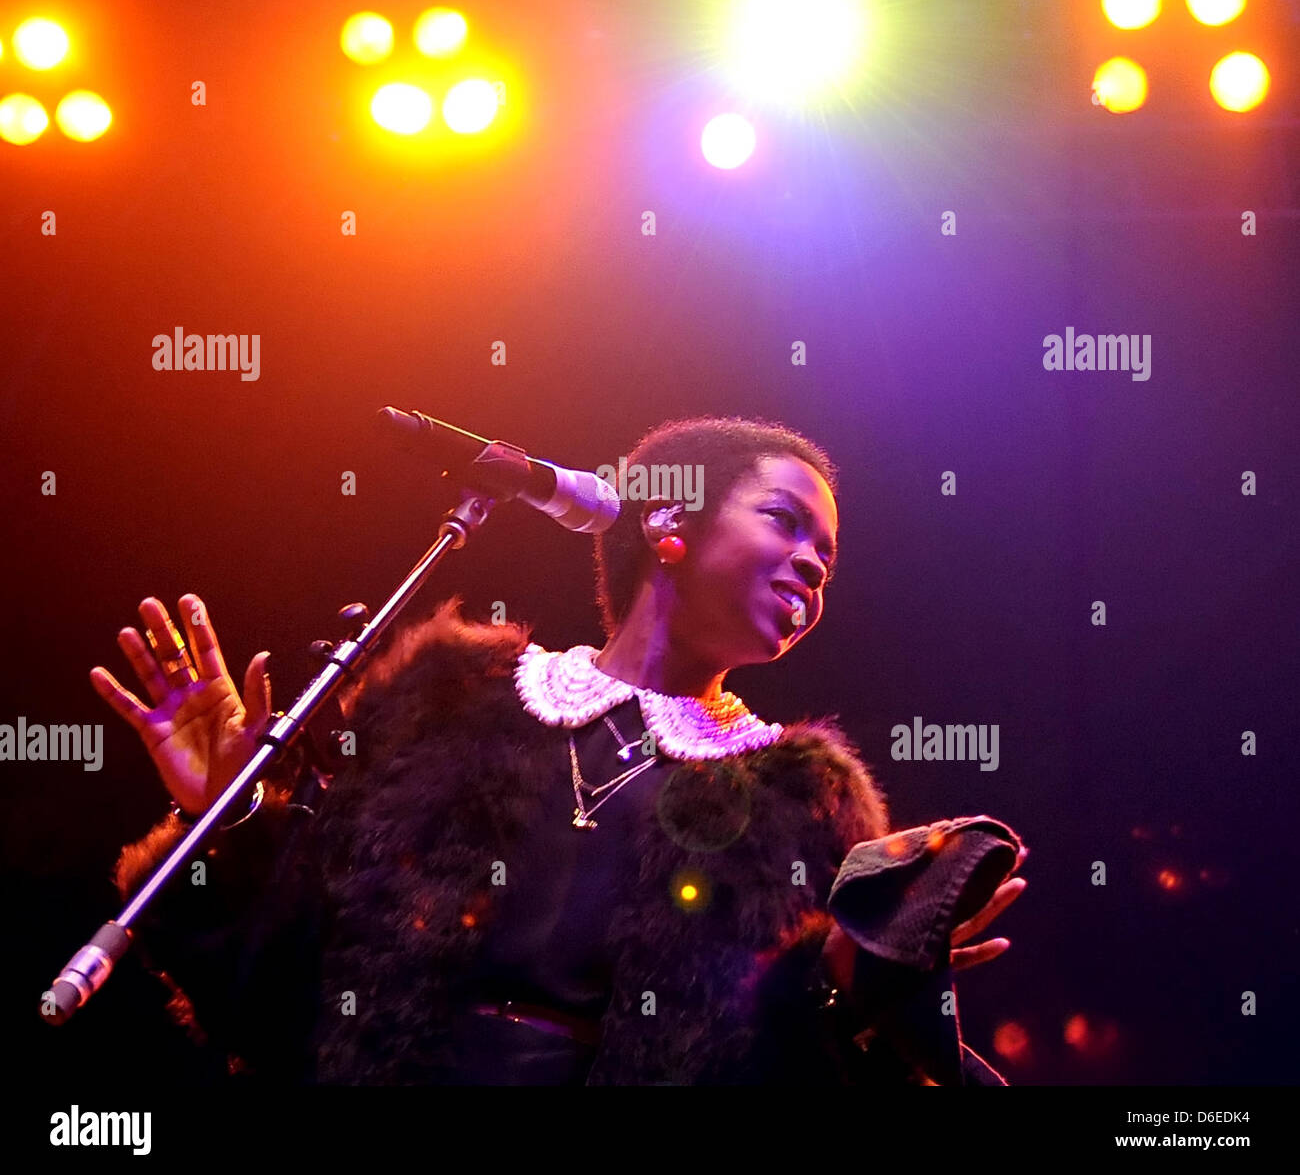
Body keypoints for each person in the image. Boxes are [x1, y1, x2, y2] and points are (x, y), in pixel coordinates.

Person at [93, 415, 1026, 1085]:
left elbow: (766, 1060)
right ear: (668, 523)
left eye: (828, 553)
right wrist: (225, 813)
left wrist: (852, 992)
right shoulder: (452, 698)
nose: (815, 563)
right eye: (785, 521)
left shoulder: (801, 795)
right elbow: (278, 972)